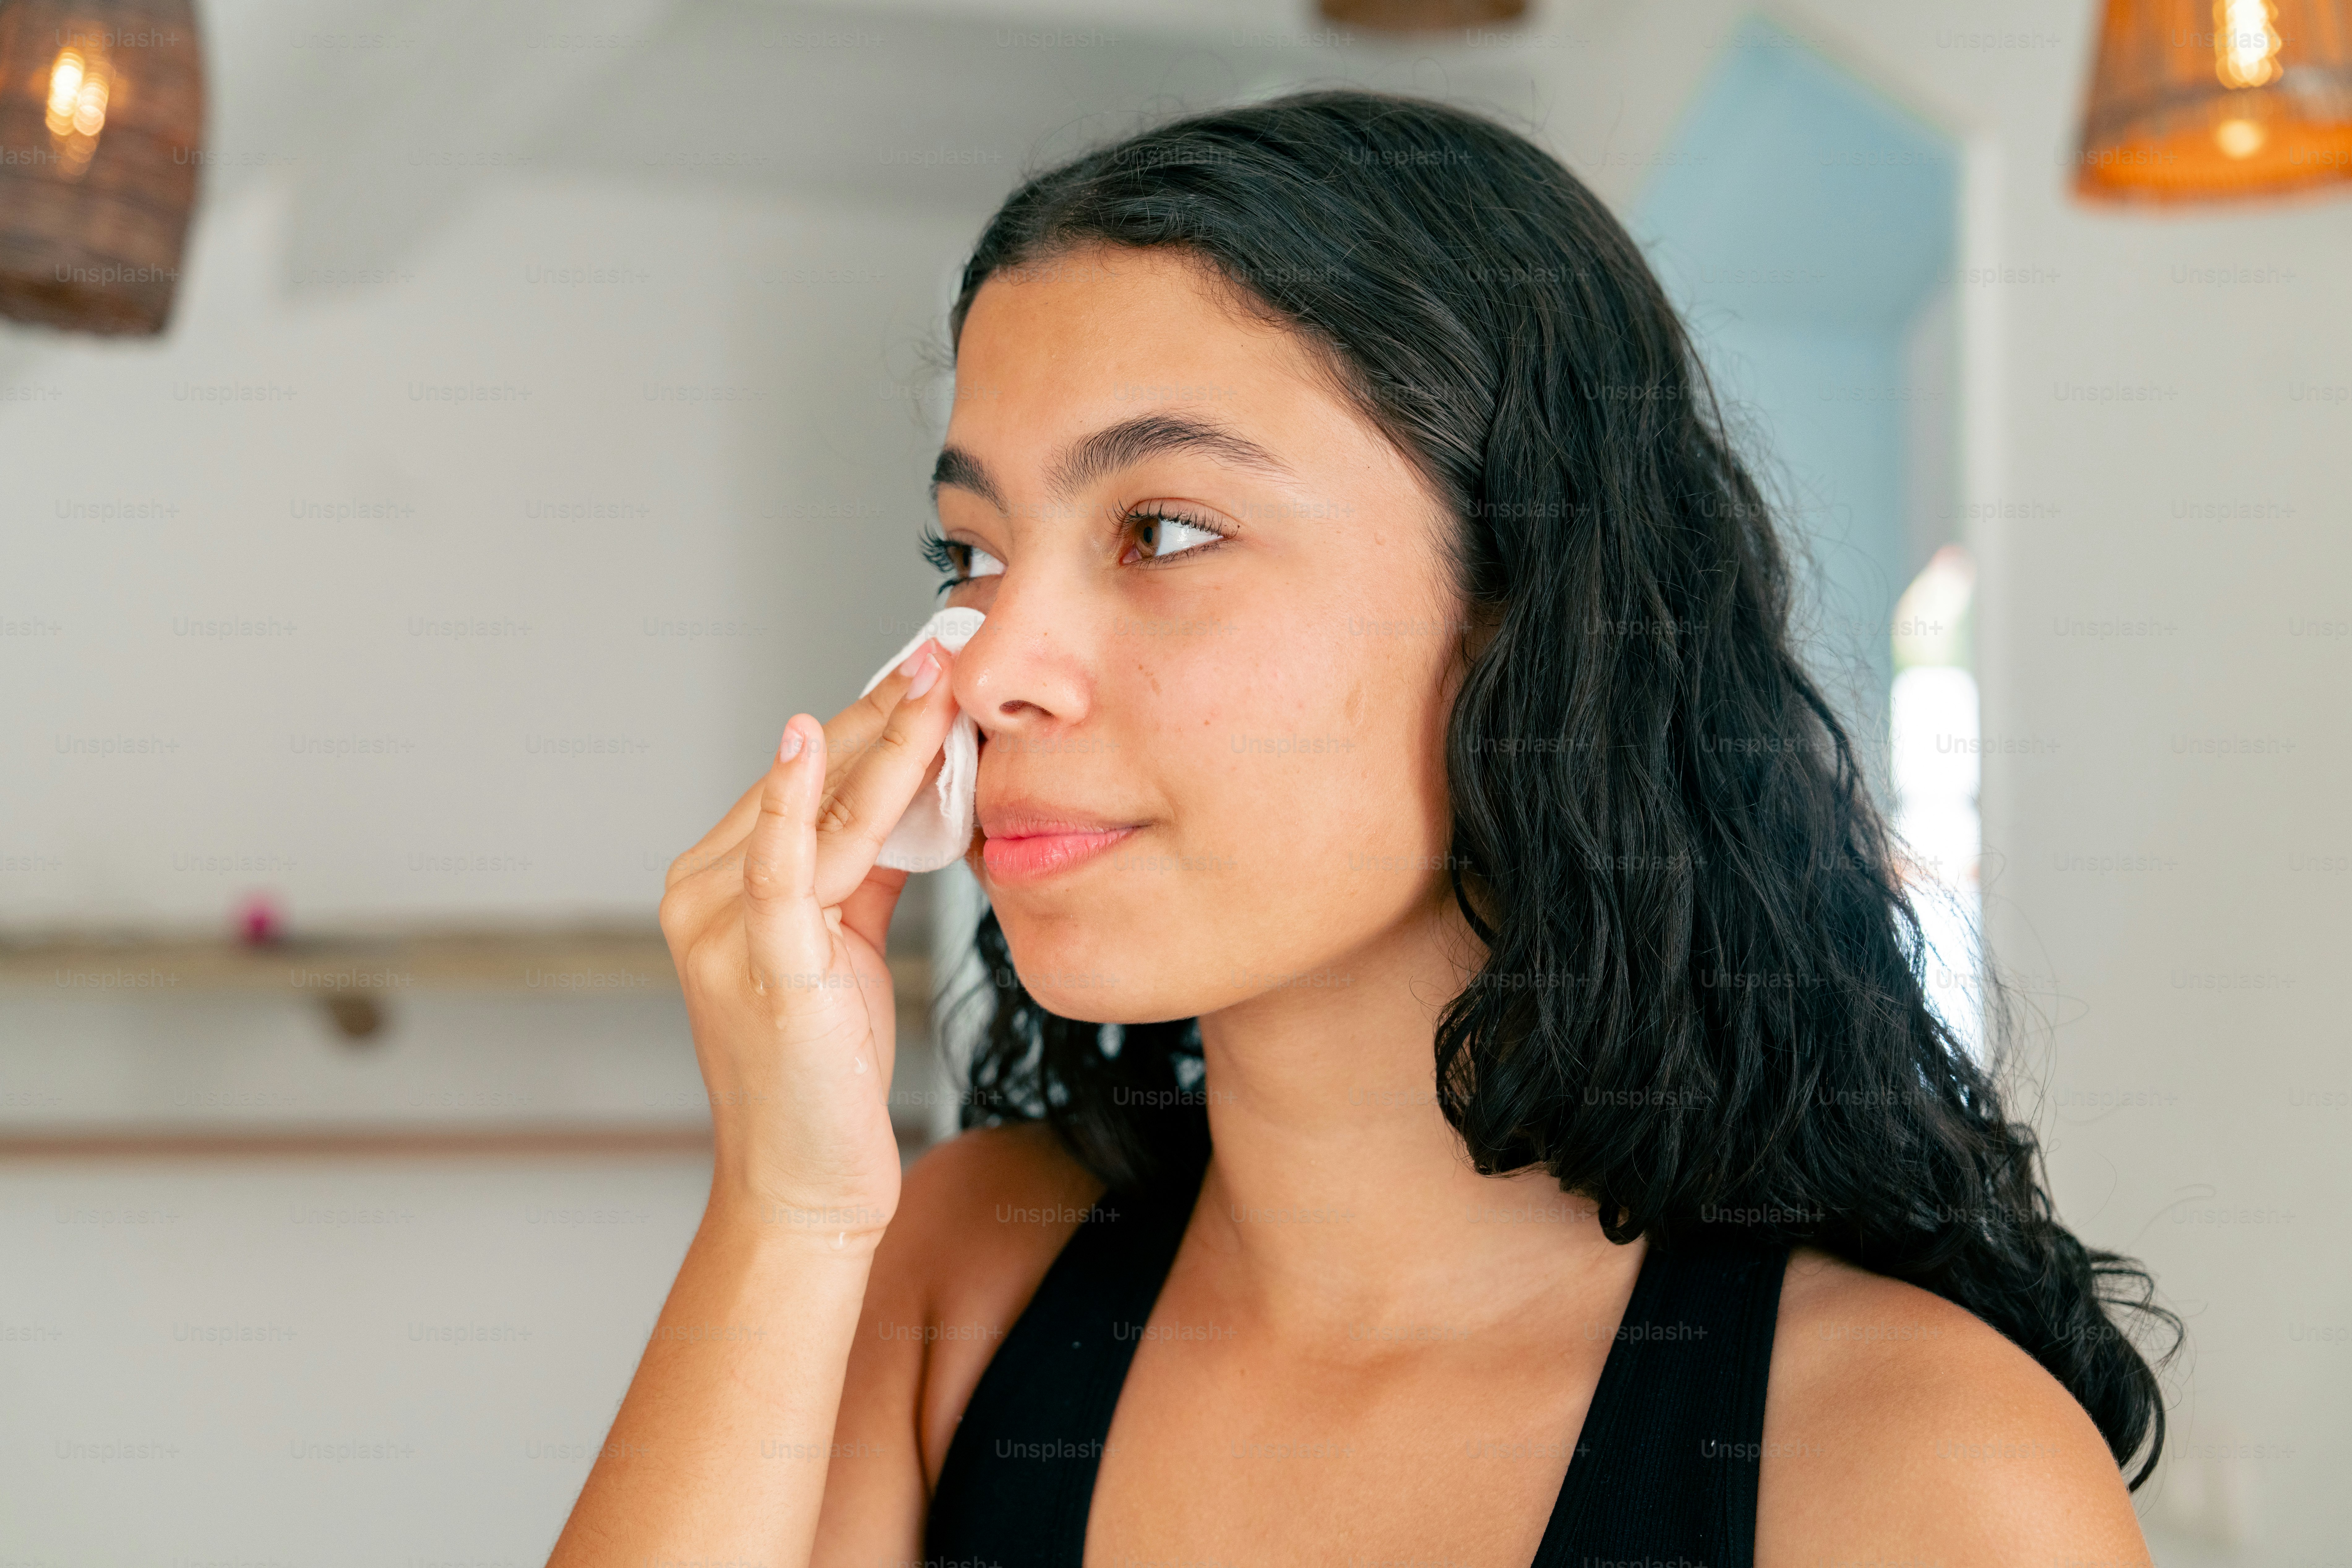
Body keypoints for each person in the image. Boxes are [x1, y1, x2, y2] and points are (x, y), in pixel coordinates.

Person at [548, 90, 2174, 1568]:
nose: (989, 673)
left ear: (1522, 612)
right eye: (969, 550)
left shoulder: (1915, 1467)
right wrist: (783, 1206)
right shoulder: (955, 1282)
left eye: (1161, 528)